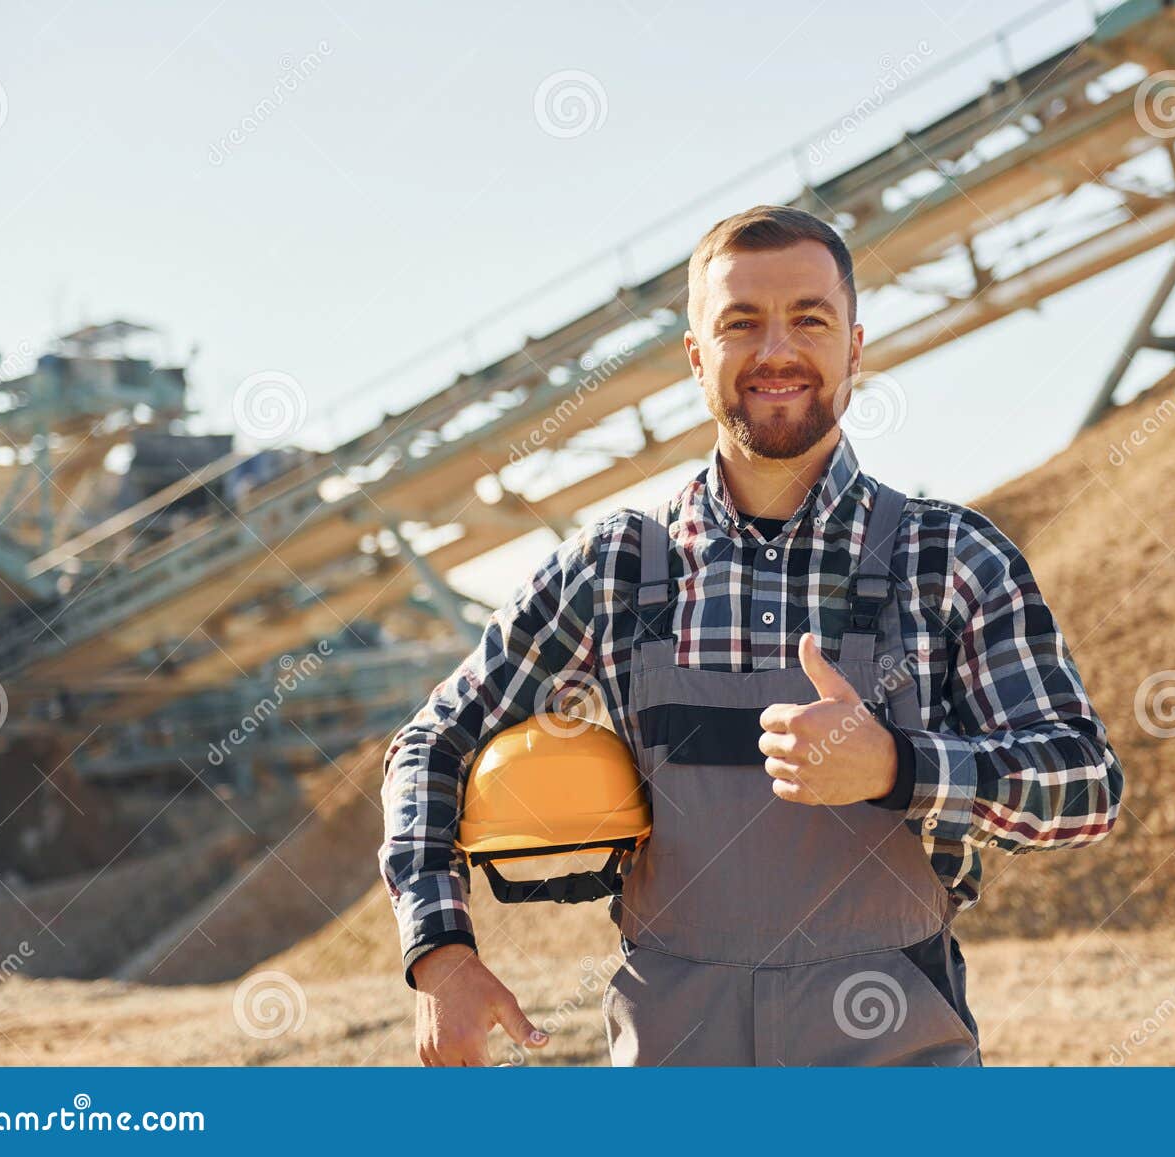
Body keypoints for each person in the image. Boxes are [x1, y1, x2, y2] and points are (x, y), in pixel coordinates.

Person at [379, 204, 1124, 1066]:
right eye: (741, 323)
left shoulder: (951, 557)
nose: (777, 350)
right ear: (698, 357)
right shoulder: (617, 568)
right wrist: (440, 953)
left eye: (810, 318)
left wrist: (900, 765)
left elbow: (1086, 783)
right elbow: (432, 743)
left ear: (855, 347)